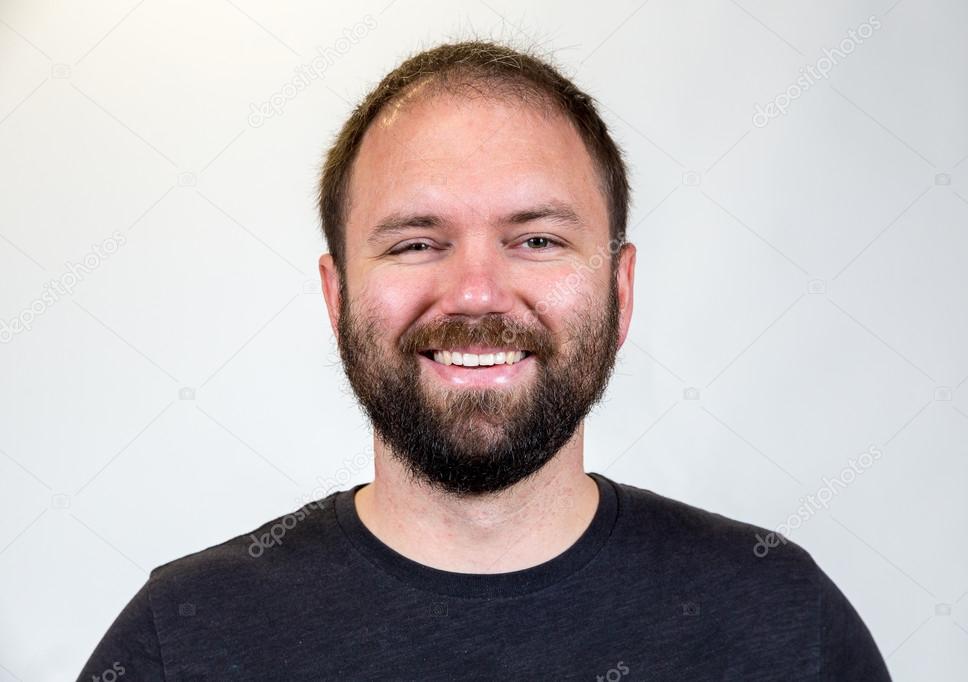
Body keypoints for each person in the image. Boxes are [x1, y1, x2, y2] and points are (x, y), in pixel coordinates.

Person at [78, 40, 891, 680]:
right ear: (336, 297)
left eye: (536, 240)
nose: (474, 293)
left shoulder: (779, 616)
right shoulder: (182, 635)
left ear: (619, 288)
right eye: (416, 242)